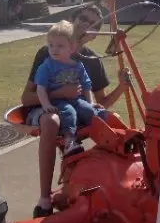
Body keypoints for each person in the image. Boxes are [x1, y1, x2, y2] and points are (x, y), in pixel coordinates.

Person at [21, 1, 129, 218]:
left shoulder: (91, 62)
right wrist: (61, 94)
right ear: (73, 21)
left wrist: (122, 87)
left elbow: (100, 102)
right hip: (46, 108)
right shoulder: (49, 52)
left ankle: (116, 179)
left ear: (95, 35)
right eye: (83, 19)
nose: (86, 25)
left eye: (93, 24)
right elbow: (26, 98)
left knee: (111, 117)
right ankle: (44, 199)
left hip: (77, 111)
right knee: (52, 121)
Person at [34, 20, 108, 156]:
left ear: (72, 47)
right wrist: (46, 105)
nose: (54, 49)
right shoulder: (46, 67)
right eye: (51, 45)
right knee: (69, 112)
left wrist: (90, 102)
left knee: (89, 110)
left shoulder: (78, 66)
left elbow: (86, 86)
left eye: (60, 46)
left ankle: (105, 133)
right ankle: (69, 141)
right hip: (58, 102)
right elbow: (41, 89)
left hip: (76, 99)